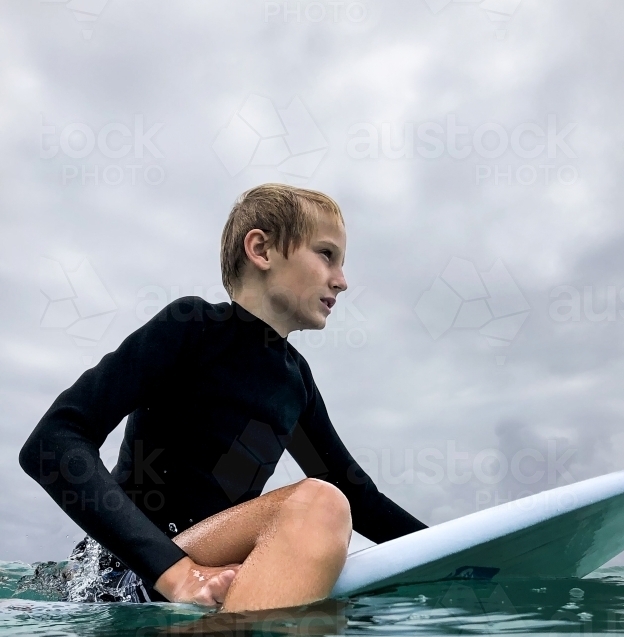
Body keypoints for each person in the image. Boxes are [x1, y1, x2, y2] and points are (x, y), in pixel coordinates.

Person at [19, 184, 426, 611]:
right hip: (127, 577)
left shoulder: (296, 381)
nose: (342, 281)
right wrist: (176, 573)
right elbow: (53, 442)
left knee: (331, 511)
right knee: (318, 504)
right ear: (261, 249)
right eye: (326, 255)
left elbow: (360, 498)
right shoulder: (191, 328)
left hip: (207, 572)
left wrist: (472, 551)